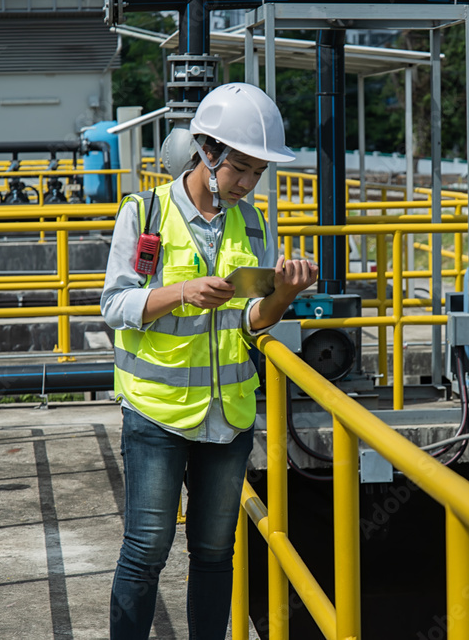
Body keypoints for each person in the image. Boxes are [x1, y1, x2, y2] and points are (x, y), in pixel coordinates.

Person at [101, 82, 318, 640]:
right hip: (157, 413)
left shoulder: (252, 224)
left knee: (216, 553)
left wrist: (284, 294)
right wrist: (182, 291)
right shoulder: (145, 212)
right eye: (239, 169)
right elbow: (114, 305)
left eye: (257, 174)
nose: (247, 184)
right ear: (205, 150)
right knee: (146, 550)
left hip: (228, 417)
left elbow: (250, 322)